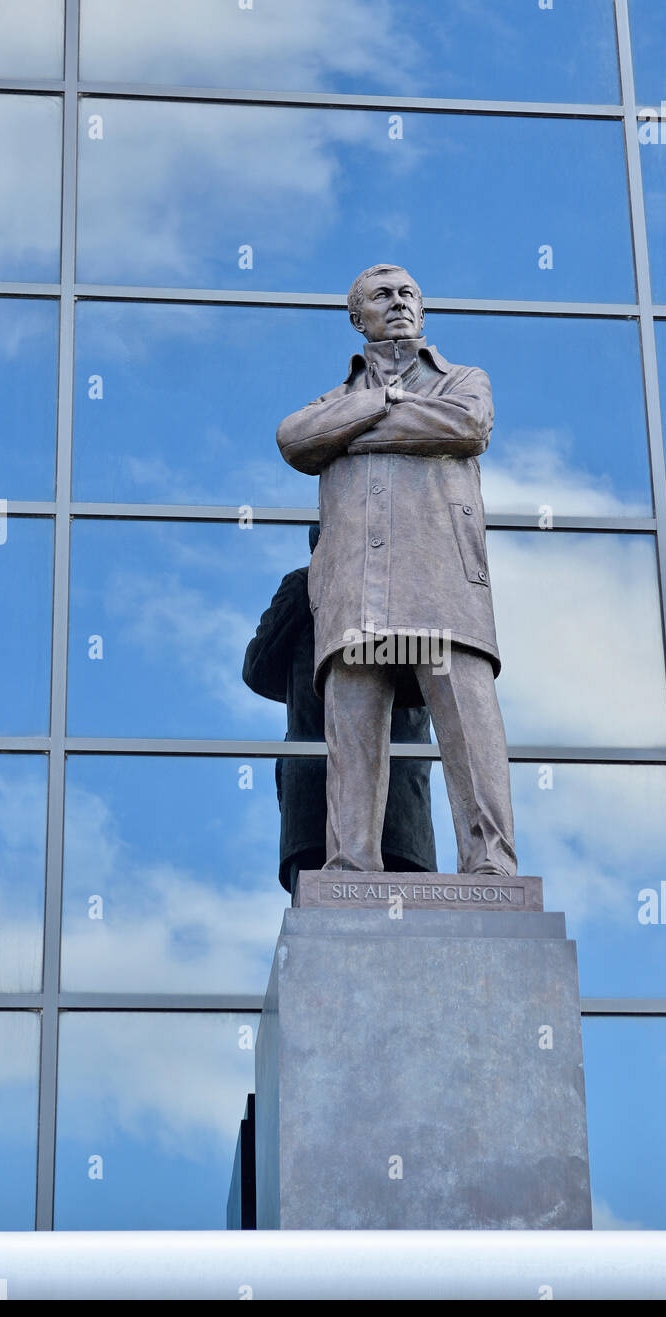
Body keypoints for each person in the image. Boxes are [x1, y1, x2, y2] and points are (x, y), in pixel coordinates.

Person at [276, 264, 517, 877]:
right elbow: (295, 439)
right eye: (383, 295)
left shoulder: (462, 379)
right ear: (358, 317)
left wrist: (352, 431)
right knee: (352, 737)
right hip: (356, 593)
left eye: (409, 293)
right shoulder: (335, 397)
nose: (400, 302)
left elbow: (466, 425)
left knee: (469, 729)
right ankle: (351, 865)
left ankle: (490, 861)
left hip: (441, 584)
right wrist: (384, 403)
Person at [243, 525, 437, 896]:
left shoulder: (312, 585)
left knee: (342, 920)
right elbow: (257, 669)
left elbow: (258, 669)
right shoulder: (408, 593)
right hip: (341, 790)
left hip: (374, 796)